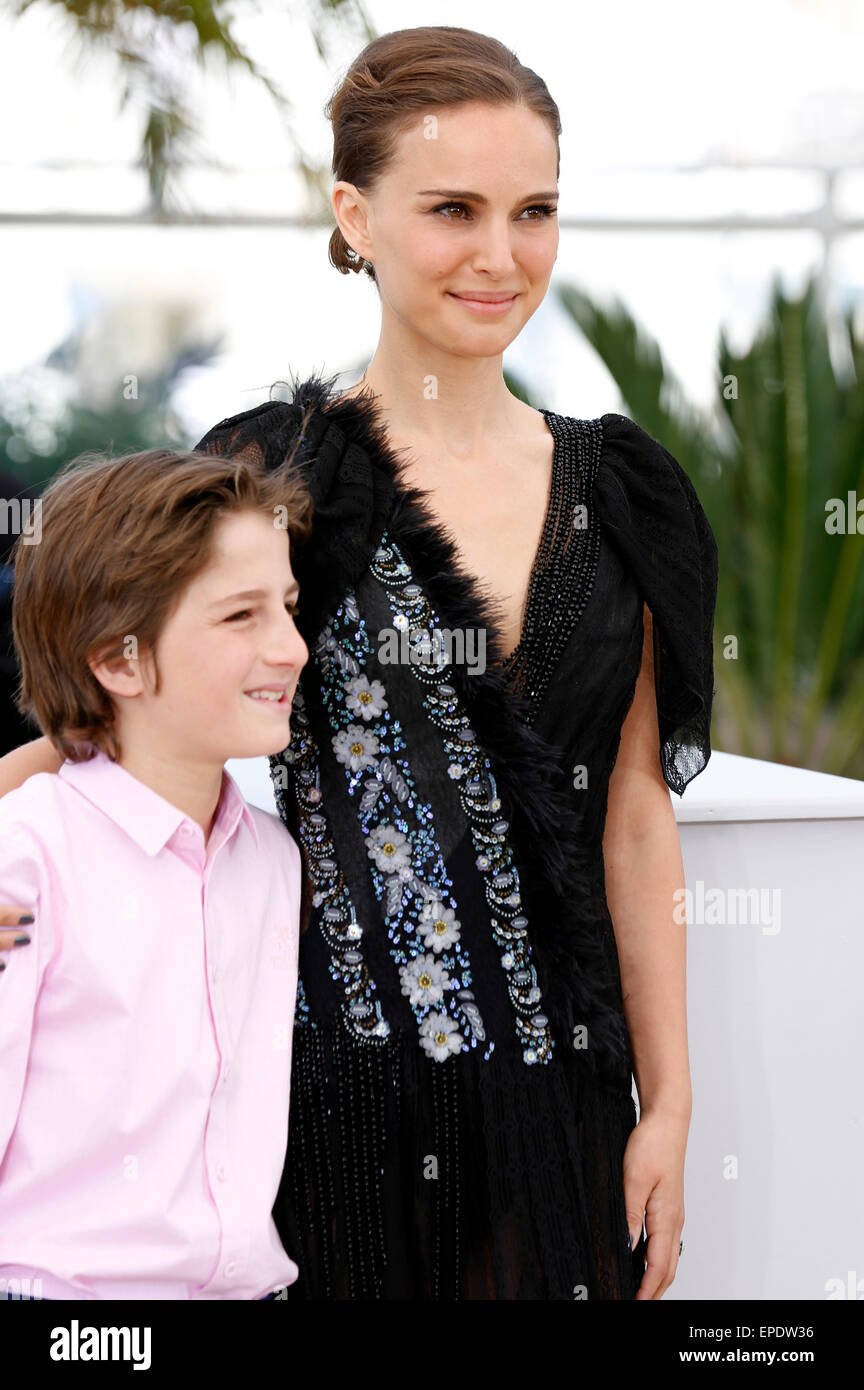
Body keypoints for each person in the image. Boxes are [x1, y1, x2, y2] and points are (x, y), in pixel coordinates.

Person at [1, 25, 718, 1300]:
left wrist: (667, 1102)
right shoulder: (275, 474)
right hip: (319, 1114)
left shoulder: (628, 494)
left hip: (564, 1099)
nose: (502, 256)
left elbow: (636, 820)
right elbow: (108, 721)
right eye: (453, 209)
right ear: (356, 215)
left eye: (535, 210)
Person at [0, 443, 312, 1300]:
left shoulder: (273, 863)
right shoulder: (26, 859)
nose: (291, 647)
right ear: (120, 660)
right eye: (240, 616)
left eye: (288, 606)